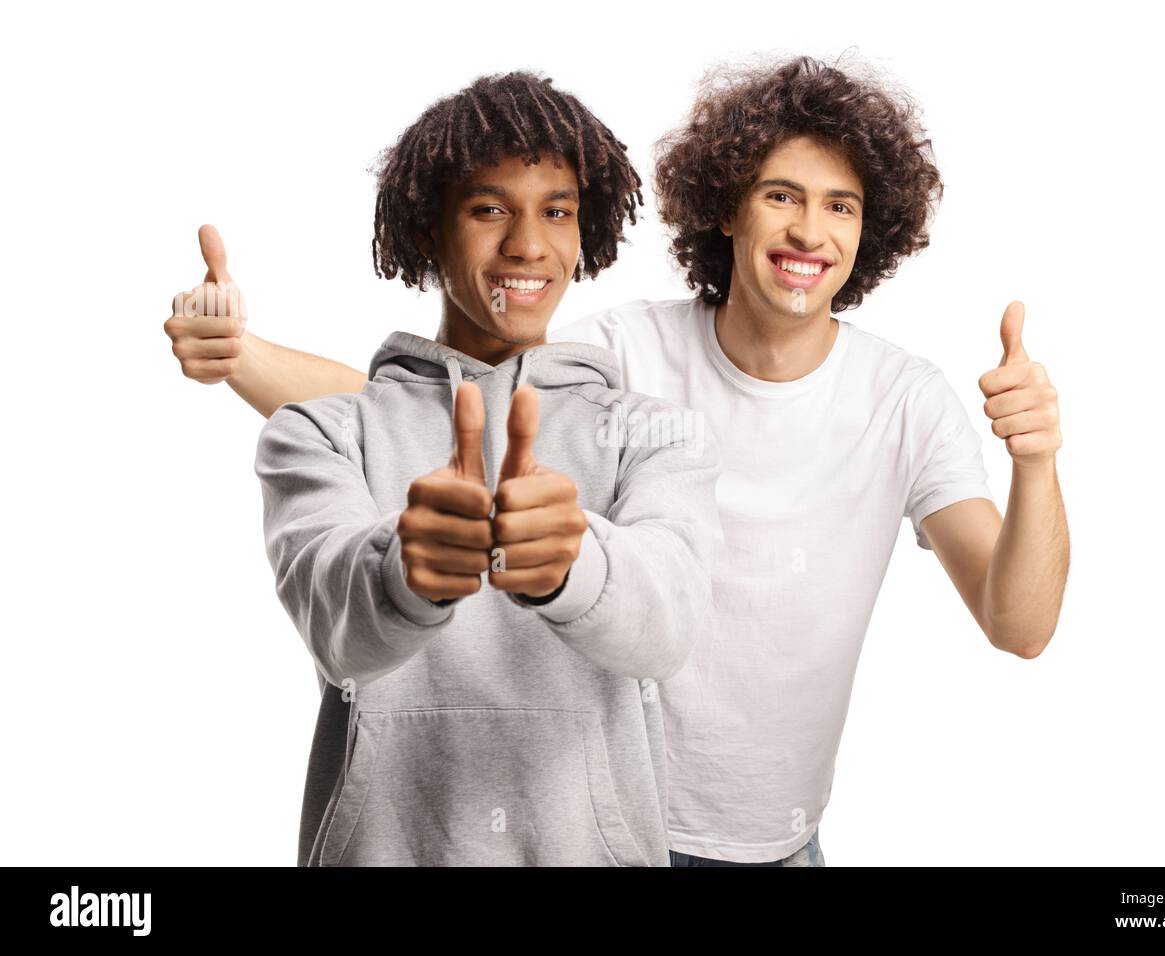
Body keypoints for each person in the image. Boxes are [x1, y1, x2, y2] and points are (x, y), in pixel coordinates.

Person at [166, 55, 1068, 866]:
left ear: (871, 231)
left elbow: (1017, 622)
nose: (809, 231)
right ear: (728, 206)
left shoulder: (904, 398)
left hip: (780, 835)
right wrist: (241, 354)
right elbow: (438, 398)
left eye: (841, 206)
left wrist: (1037, 460)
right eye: (781, 195)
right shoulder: (621, 358)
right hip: (619, 822)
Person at [182, 70, 725, 866]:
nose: (528, 245)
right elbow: (334, 625)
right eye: (489, 209)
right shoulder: (318, 432)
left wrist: (575, 560)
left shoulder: (653, 433)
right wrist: (406, 572)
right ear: (429, 231)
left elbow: (669, 626)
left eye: (557, 211)